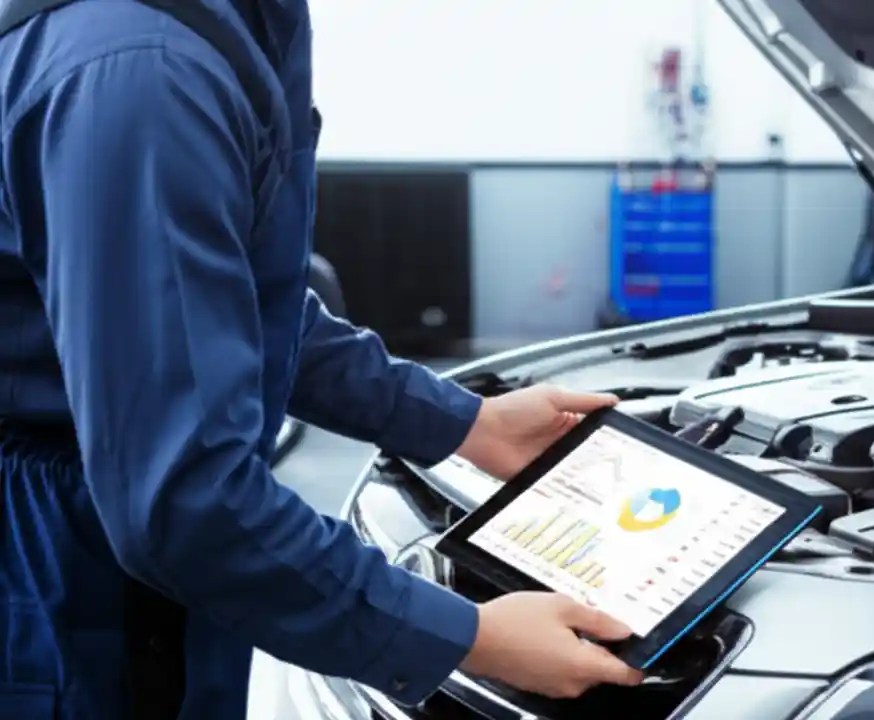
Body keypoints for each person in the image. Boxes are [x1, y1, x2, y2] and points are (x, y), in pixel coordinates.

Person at [0, 1, 642, 718]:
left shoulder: (221, 25)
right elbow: (182, 504)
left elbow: (234, 306)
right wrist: (467, 638)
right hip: (71, 594)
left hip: (113, 557)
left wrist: (463, 424)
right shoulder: (145, 74)